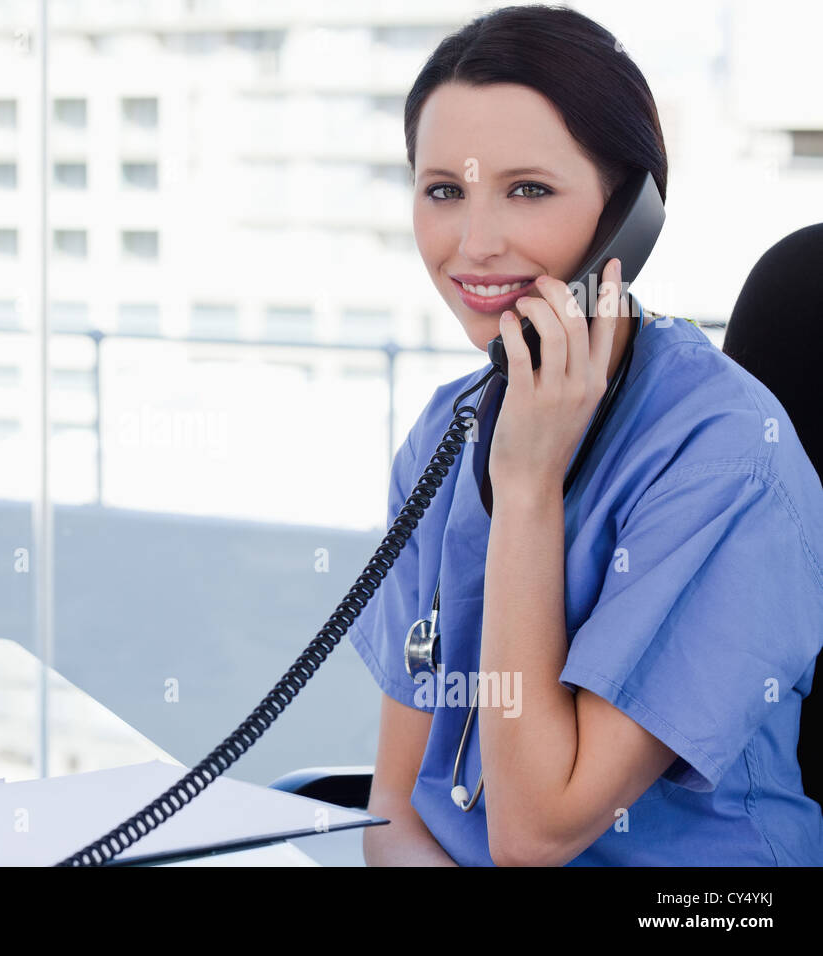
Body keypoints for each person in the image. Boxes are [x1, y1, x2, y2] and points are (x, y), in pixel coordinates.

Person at [350, 4, 823, 866]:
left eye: (528, 189)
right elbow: (396, 812)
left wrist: (528, 485)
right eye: (444, 191)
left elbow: (537, 835)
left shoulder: (724, 460)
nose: (475, 243)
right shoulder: (444, 436)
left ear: (629, 214)